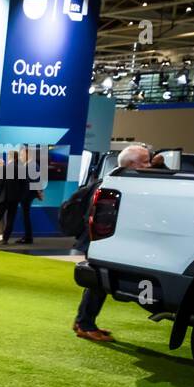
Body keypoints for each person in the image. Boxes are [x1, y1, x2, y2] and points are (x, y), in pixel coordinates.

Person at [73, 144, 152, 341]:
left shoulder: (116, 182)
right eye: (146, 161)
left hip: (103, 241)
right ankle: (85, 324)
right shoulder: (115, 185)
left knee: (97, 283)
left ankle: (83, 321)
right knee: (98, 283)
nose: (150, 165)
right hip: (102, 241)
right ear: (133, 164)